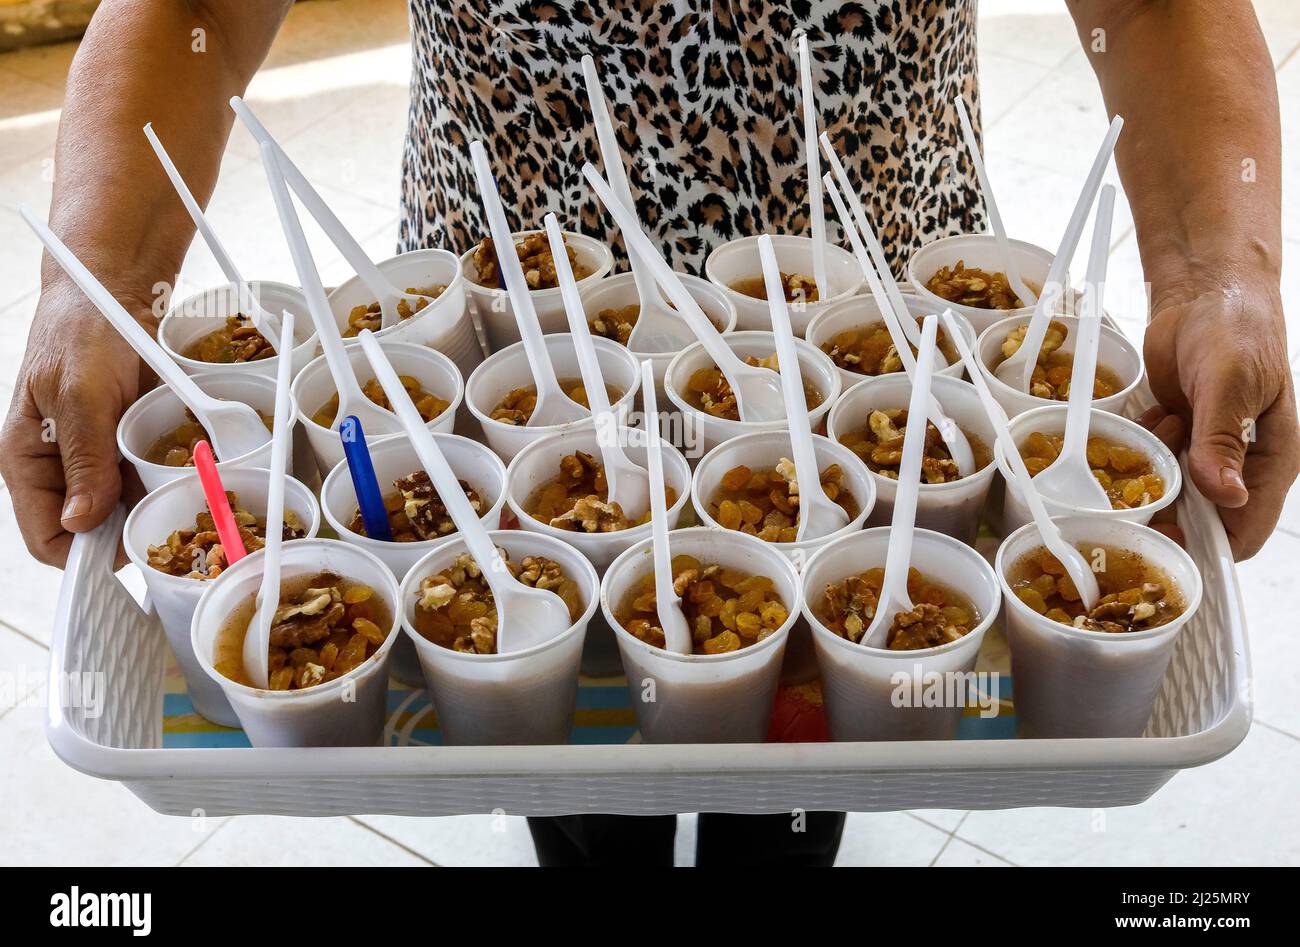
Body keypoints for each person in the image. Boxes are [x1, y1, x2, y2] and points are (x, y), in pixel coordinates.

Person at [3, 1, 1294, 865]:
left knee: (800, 748)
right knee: (573, 755)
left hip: (884, 330)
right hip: (513, 325)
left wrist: (1213, 268)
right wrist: (97, 280)